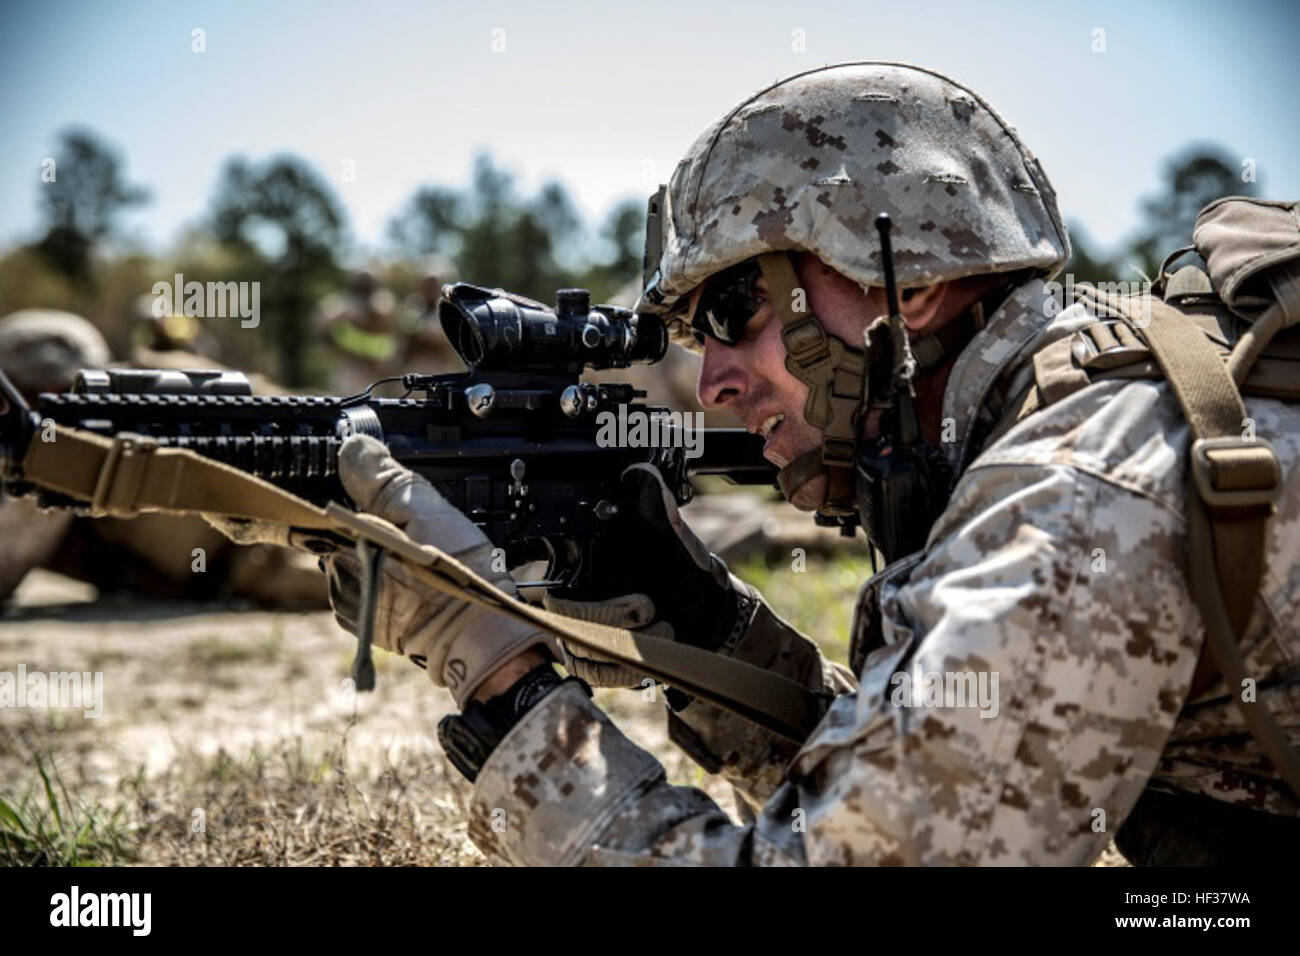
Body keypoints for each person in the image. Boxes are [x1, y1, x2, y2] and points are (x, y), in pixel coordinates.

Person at [317, 62, 1300, 864]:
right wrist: (706, 626)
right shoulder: (1066, 402)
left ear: (909, 283)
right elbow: (912, 787)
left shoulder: (1075, 500)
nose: (712, 384)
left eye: (731, 313)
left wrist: (502, 676)